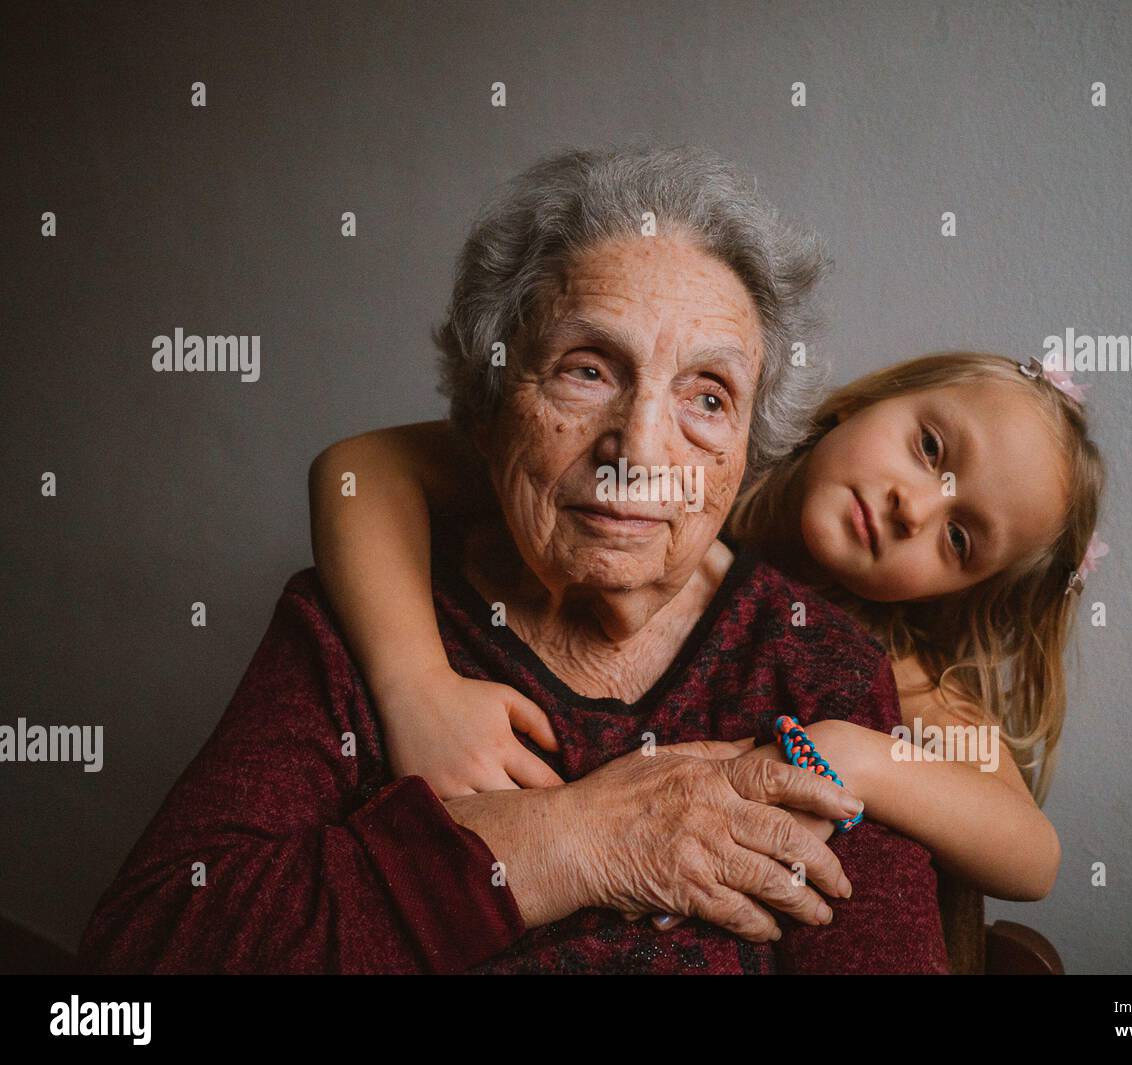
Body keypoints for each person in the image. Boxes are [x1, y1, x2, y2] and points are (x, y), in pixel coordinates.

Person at [78, 143, 950, 974]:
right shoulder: (367, 624)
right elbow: (139, 959)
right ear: (489, 403)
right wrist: (562, 841)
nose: (639, 449)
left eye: (708, 396)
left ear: (746, 457)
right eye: (586, 370)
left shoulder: (815, 671)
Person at [308, 349, 1106, 908]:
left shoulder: (888, 666)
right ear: (867, 402)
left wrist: (857, 753)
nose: (914, 506)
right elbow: (357, 469)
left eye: (959, 538)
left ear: (955, 592)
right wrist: (415, 686)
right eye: (929, 447)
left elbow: (1032, 854)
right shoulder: (686, 450)